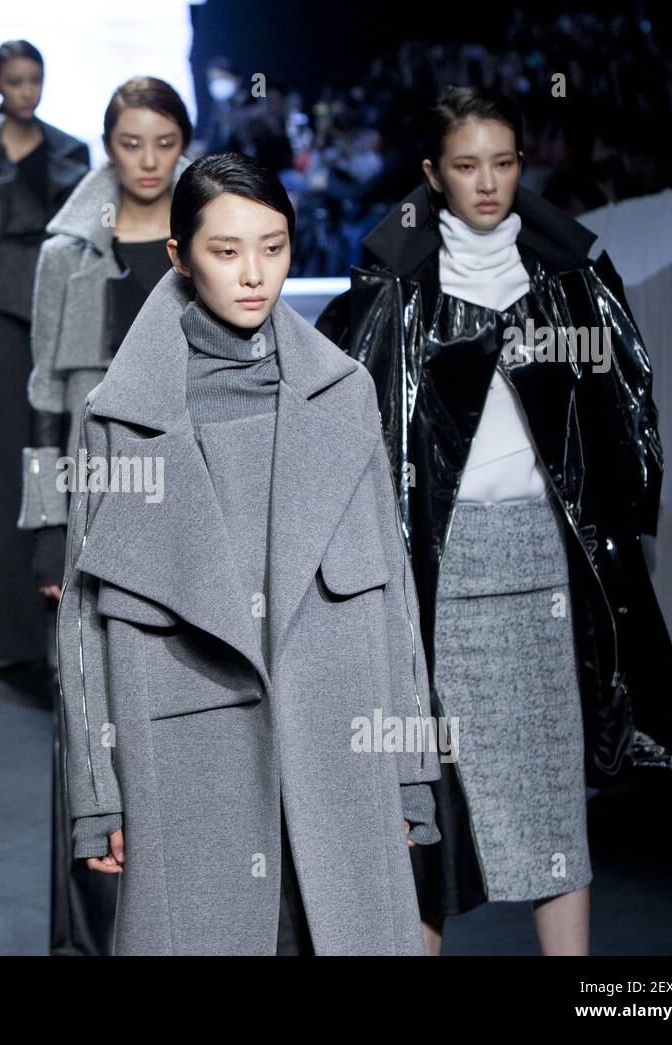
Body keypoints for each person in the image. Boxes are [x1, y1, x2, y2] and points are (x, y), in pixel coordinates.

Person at [316, 86, 672, 955]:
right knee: (428, 803)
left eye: (504, 161)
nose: (488, 182)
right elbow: (356, 423)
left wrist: (623, 531)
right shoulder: (395, 285)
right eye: (466, 165)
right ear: (432, 174)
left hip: (543, 561)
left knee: (549, 797)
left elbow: (625, 415)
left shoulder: (569, 277)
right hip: (437, 570)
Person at [57, 152, 440, 955]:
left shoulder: (343, 393)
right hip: (185, 760)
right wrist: (96, 792)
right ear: (179, 256)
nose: (255, 274)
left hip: (338, 745)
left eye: (274, 246)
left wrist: (410, 766)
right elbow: (86, 627)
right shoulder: (118, 416)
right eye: (226, 251)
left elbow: (395, 594)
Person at [15, 76, 192, 956]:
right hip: (94, 509)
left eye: (166, 141)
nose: (150, 160)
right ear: (108, 145)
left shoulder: (207, 238)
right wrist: (48, 525)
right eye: (132, 142)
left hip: (199, 511)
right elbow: (46, 396)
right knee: (92, 723)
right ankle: (88, 941)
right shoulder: (66, 253)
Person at [0, 40, 90, 667]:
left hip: (56, 318)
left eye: (36, 79)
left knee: (57, 460)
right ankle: (7, 633)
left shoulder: (69, 153)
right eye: (15, 81)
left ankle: (67, 620)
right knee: (2, 472)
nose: (27, 91)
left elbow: (84, 248)